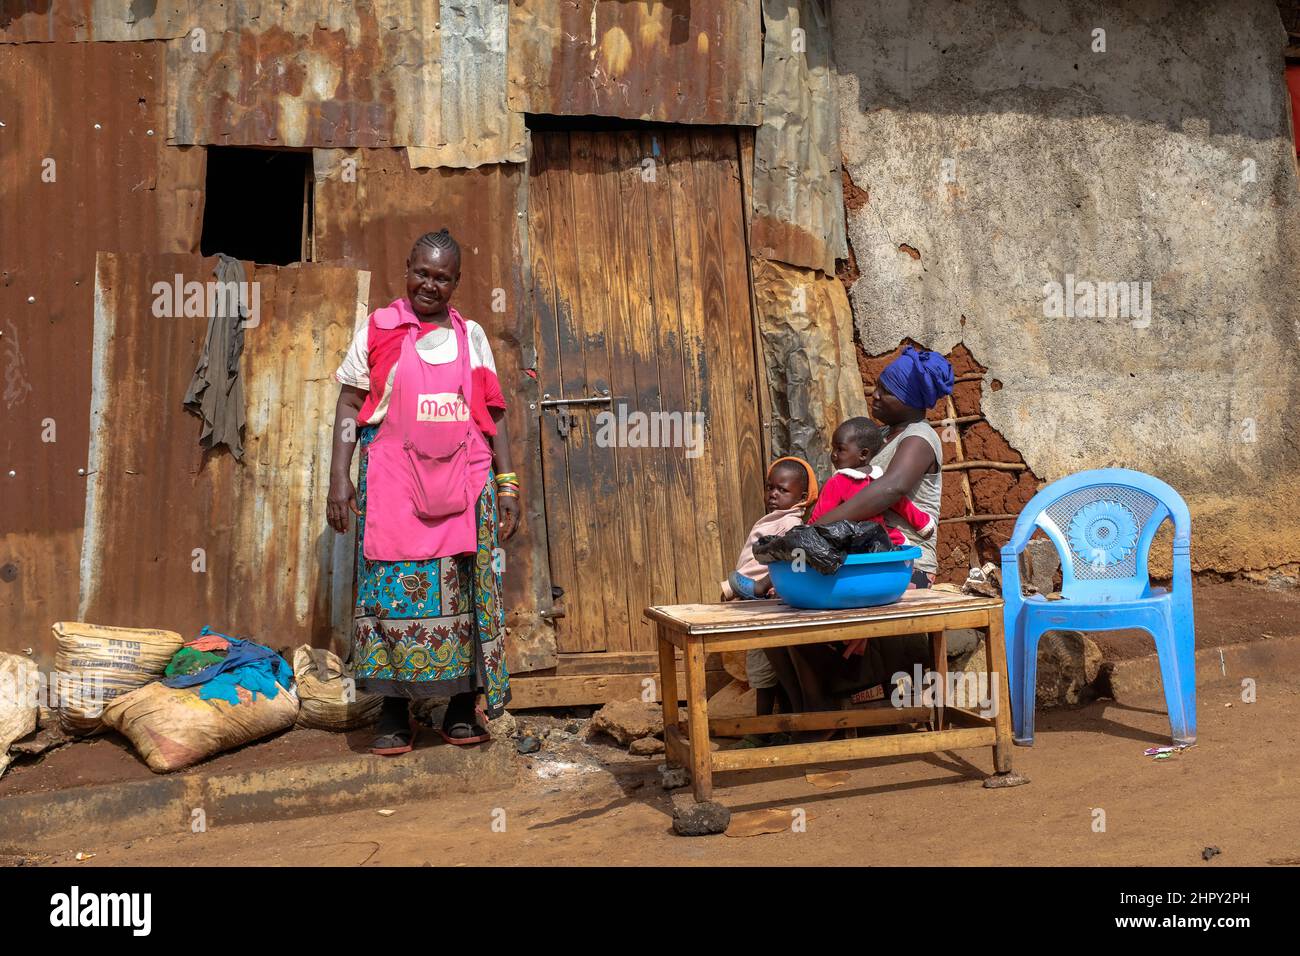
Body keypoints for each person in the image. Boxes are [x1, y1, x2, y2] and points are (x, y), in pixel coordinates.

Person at [326, 229, 519, 755]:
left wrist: (507, 483)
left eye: (442, 277)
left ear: (456, 282)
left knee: (463, 594)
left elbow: (492, 415)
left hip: (463, 487)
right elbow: (349, 404)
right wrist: (338, 478)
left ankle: (459, 706)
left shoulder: (472, 336)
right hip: (392, 488)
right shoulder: (378, 330)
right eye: (422, 273)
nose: (429, 285)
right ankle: (392, 710)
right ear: (407, 268)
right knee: (385, 595)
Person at [764, 346, 954, 739]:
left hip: (903, 562)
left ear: (911, 400)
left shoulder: (920, 438)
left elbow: (892, 488)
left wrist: (816, 528)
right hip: (865, 554)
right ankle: (809, 712)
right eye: (878, 387)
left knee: (797, 610)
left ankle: (822, 714)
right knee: (774, 609)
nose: (876, 395)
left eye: (886, 391)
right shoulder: (884, 437)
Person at [720, 457, 818, 730]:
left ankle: (763, 732)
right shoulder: (771, 520)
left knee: (766, 676)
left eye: (782, 490)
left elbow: (788, 564)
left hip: (771, 608)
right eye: (769, 487)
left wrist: (742, 586)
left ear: (801, 497)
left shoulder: (789, 526)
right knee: (771, 674)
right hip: (758, 608)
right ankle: (782, 729)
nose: (773, 494)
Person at [809, 416, 936, 545]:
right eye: (833, 448)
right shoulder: (879, 479)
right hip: (880, 538)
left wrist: (808, 532)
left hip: (851, 542)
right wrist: (923, 523)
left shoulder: (836, 483)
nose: (833, 454)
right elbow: (902, 505)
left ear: (863, 454)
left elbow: (820, 515)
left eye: (840, 449)